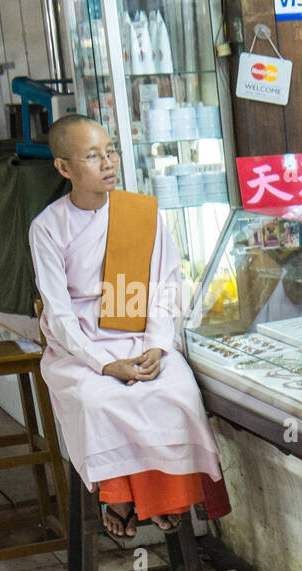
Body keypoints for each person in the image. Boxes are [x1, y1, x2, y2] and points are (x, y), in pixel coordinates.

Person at [29, 114, 227, 538]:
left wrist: (157, 345)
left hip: (140, 335)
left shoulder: (142, 214)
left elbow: (166, 285)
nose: (108, 163)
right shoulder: (47, 227)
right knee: (99, 400)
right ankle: (119, 497)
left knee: (175, 392)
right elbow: (58, 313)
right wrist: (102, 364)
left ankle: (163, 499)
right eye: (92, 156)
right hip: (81, 346)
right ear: (64, 168)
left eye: (111, 151)